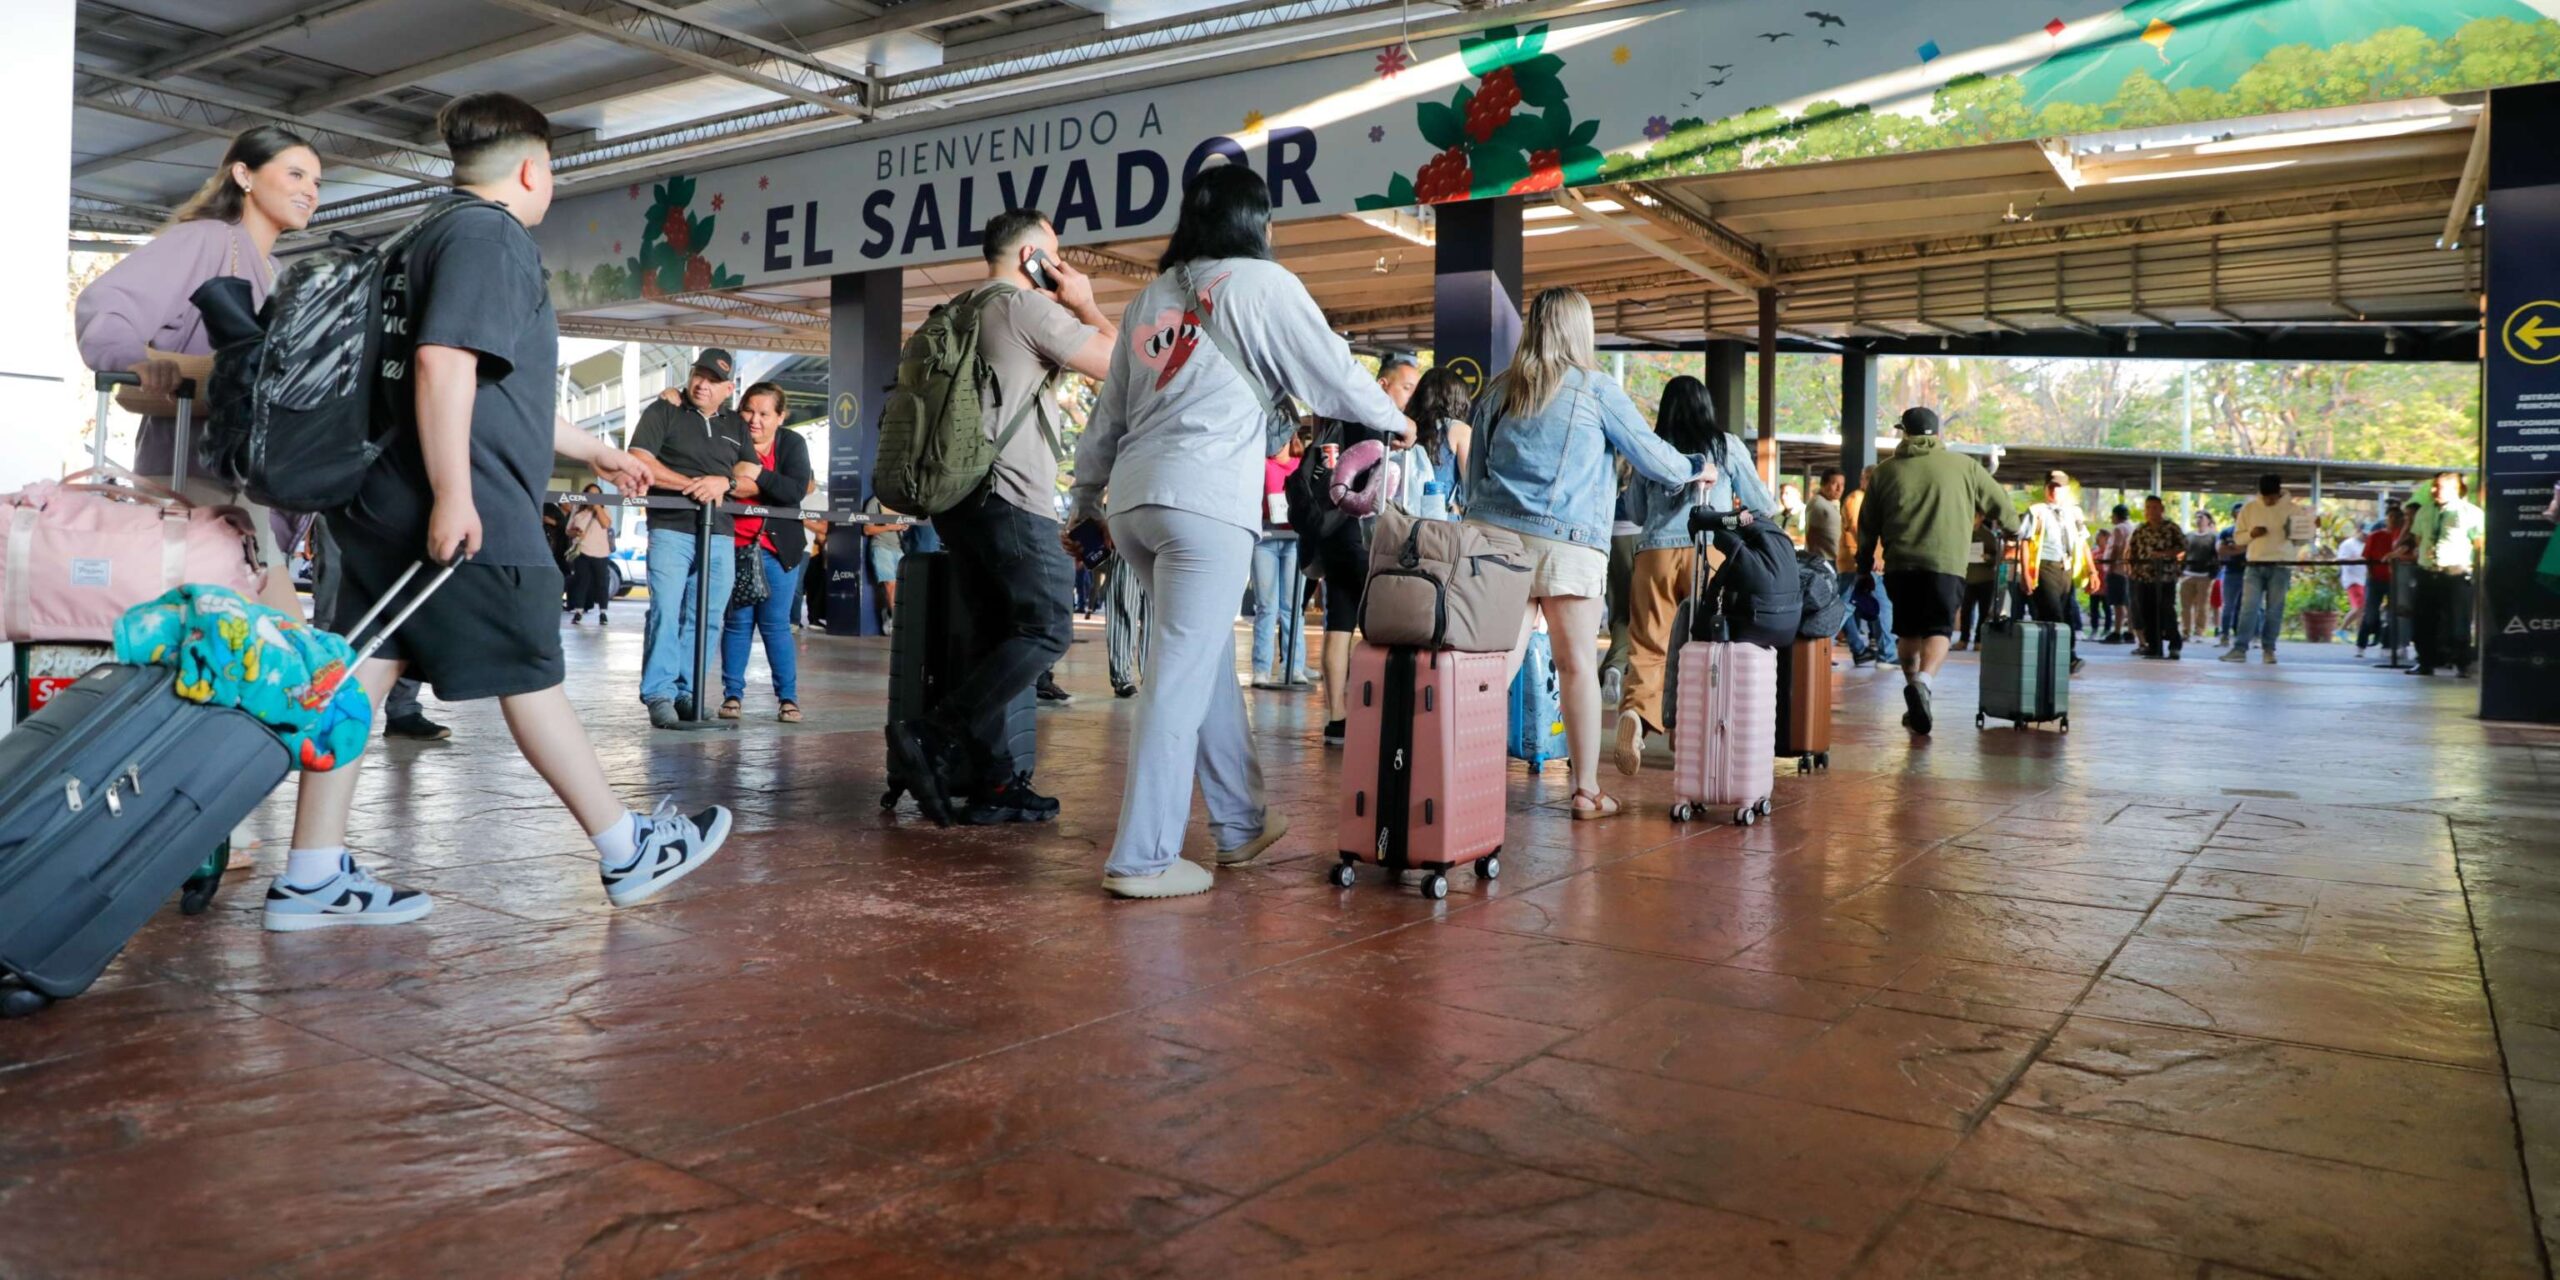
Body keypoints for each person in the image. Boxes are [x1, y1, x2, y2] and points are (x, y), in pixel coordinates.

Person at [271, 92, 730, 931]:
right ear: (530, 168)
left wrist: (593, 451)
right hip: (463, 499)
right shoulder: (491, 238)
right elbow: (443, 366)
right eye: (550, 168)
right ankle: (627, 847)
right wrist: (455, 493)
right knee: (530, 669)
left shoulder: (422, 234)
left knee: (359, 676)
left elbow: (483, 385)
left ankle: (308, 874)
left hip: (380, 500)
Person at [1057, 163, 1400, 898]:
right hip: (1206, 503)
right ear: (1256, 224)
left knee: (1202, 660)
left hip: (1136, 504)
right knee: (1177, 677)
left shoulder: (1154, 294)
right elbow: (1332, 369)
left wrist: (1085, 499)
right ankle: (1141, 858)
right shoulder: (1261, 283)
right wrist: (1398, 422)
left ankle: (1241, 823)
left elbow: (1107, 415)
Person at [882, 210, 1116, 824]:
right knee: (1047, 628)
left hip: (959, 500)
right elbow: (1125, 370)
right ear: (1033, 256)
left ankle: (994, 782)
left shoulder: (958, 308)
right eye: (1055, 254)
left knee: (991, 638)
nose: (1061, 266)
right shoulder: (1028, 309)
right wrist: (1087, 303)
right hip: (1014, 497)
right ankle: (932, 734)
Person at [1464, 287, 1710, 819]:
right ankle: (1586, 791)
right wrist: (1697, 467)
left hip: (1492, 543)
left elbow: (1473, 478)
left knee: (1495, 661)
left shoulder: (1497, 392)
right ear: (1581, 330)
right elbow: (1655, 460)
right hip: (1566, 545)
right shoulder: (1596, 391)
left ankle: (1456, 768)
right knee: (1575, 665)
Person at [76, 125, 317, 618]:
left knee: (273, 652)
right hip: (192, 476)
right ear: (244, 175)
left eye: (317, 181)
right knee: (258, 648)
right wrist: (135, 360)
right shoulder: (207, 240)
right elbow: (106, 303)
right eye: (295, 174)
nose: (310, 191)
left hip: (243, 481)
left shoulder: (273, 268)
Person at [1614, 375, 1771, 776]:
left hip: (1655, 554)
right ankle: (1690, 733)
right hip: (1711, 552)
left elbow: (1634, 512)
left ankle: (1635, 715)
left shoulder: (1651, 448)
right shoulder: (1726, 445)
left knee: (1649, 645)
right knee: (1705, 645)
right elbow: (1762, 503)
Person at [1856, 407, 2013, 736]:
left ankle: (1914, 693)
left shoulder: (1885, 472)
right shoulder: (1965, 467)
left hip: (1901, 564)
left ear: (1904, 432)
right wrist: (2012, 528)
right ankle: (1924, 684)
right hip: (1946, 565)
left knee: (1909, 633)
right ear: (1937, 433)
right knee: (1939, 631)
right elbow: (2002, 504)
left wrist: (1864, 564)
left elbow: (1867, 525)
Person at [627, 350, 752, 726]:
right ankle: (659, 694)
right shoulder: (665, 410)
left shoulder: (735, 423)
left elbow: (749, 474)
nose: (702, 384)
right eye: (699, 375)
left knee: (708, 616)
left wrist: (724, 482)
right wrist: (693, 486)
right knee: (666, 612)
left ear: (728, 389)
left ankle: (688, 693)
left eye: (713, 381)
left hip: (720, 533)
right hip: (670, 527)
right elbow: (639, 459)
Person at [1312, 351, 1424, 745]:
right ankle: (1381, 712)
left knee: (1338, 624)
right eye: (1406, 387)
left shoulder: (1337, 415)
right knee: (1383, 622)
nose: (1410, 396)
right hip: (1360, 534)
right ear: (1382, 385)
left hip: (1330, 531)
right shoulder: (1375, 423)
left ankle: (1336, 719)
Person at [714, 382, 814, 723]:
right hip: (734, 547)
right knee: (737, 624)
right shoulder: (725, 436)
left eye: (764, 414)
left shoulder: (791, 443)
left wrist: (754, 472)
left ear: (780, 417)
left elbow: (795, 490)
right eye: (748, 410)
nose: (754, 420)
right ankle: (732, 696)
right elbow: (721, 482)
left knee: (776, 626)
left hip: (779, 550)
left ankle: (788, 699)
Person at [310, 516, 449, 741]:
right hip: (342, 499)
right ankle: (320, 701)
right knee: (336, 597)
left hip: (407, 499)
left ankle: (403, 711)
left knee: (410, 597)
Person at [2406, 471, 2486, 678]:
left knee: (2457, 622)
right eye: (2433, 486)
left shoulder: (2470, 513)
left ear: (2455, 488)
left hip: (2455, 573)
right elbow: (2418, 538)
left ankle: (2461, 663)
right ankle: (2425, 662)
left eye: (2438, 487)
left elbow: (2480, 544)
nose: (2433, 491)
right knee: (2423, 621)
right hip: (2427, 572)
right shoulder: (2424, 511)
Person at [2222, 473, 2307, 665]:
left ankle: (2269, 649)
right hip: (2254, 563)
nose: (2269, 501)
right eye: (2265, 496)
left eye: (2272, 497)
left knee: (2274, 610)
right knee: (2248, 608)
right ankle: (2239, 648)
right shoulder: (2249, 509)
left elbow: (2302, 540)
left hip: (2281, 564)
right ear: (2260, 493)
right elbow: (2238, 538)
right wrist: (2251, 533)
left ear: (2279, 493)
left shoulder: (2294, 510)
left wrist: (2309, 528)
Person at [1251, 431, 1313, 689]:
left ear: (1290, 439)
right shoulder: (1261, 464)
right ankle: (1262, 668)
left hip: (1294, 539)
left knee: (1292, 607)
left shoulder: (1300, 466)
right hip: (1265, 537)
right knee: (1266, 606)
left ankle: (1294, 666)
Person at [2020, 471, 2095, 675]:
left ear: (2066, 490)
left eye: (2059, 487)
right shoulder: (2036, 511)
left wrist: (2093, 571)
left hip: (2066, 568)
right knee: (2053, 612)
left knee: (2067, 612)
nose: (2054, 491)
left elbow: (2083, 541)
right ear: (2046, 489)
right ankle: (2066, 658)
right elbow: (2025, 542)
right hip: (2044, 566)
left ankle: (2058, 656)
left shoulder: (2074, 513)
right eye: (2051, 486)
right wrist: (2025, 573)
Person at [1390, 365, 1469, 522]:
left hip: (1400, 522)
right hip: (1442, 523)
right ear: (1458, 398)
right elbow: (1473, 483)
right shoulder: (1459, 430)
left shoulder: (1405, 428)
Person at [1837, 465, 1896, 667]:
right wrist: (1870, 556)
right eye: (1868, 478)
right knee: (1843, 606)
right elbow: (1857, 529)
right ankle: (1817, 643)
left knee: (1879, 606)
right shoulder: (1857, 499)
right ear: (1863, 479)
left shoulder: (1869, 500)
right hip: (1859, 564)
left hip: (1868, 564)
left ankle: (1887, 653)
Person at [2125, 495, 2187, 659]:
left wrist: (2165, 554)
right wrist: (2131, 569)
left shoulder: (2171, 528)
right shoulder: (2140, 529)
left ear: (2161, 509)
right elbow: (2132, 551)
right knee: (2147, 611)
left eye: (2154, 507)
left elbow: (2183, 547)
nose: (2151, 511)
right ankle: (2154, 646)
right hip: (2143, 577)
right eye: (2148, 508)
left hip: (2165, 576)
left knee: (2167, 609)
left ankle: (2175, 645)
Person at [563, 484, 615, 624]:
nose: (593, 497)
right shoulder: (577, 510)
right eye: (591, 494)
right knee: (581, 581)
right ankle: (579, 611)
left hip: (600, 552)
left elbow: (606, 525)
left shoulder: (605, 510)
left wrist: (597, 507)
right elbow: (568, 530)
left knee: (601, 583)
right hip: (582, 551)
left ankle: (603, 613)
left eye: (597, 494)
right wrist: (576, 532)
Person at [2357, 510, 2401, 656]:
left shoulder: (2402, 537)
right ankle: (2361, 645)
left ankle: (2387, 645)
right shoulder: (2375, 535)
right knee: (2370, 612)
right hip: (2375, 578)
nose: (2393, 520)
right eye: (2391, 517)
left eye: (2397, 517)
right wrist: (2370, 573)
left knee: (2392, 613)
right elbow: (2367, 555)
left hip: (2393, 580)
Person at [1956, 512, 2000, 650]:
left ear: (1981, 517)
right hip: (1967, 577)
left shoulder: (1988, 535)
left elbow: (1997, 556)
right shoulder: (1963, 531)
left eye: (1975, 515)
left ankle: (1979, 641)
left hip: (1985, 578)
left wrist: (1988, 558)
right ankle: (1963, 639)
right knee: (1966, 611)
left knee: (1984, 611)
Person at [2179, 509, 2219, 646]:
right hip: (2188, 574)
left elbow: (2217, 556)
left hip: (2205, 575)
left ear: (2208, 520)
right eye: (2196, 517)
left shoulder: (2214, 537)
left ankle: (2199, 632)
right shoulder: (2189, 536)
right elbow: (2183, 553)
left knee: (2202, 606)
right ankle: (2185, 631)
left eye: (2201, 517)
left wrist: (2212, 573)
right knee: (2185, 606)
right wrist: (2181, 570)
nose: (2199, 519)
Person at [2099, 503, 2134, 642]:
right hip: (2127, 570)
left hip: (2117, 570)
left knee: (2118, 603)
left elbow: (2117, 548)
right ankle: (2130, 631)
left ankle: (2117, 631)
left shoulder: (2119, 528)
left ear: (2116, 515)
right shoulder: (2131, 527)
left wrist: (2111, 565)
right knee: (2127, 602)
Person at [2216, 502, 2248, 644]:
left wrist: (2233, 549)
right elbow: (2220, 550)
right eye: (2237, 512)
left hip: (2249, 572)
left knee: (2250, 606)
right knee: (2228, 606)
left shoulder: (2251, 532)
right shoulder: (2226, 532)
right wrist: (2239, 549)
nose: (2239, 514)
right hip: (2230, 572)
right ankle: (2224, 634)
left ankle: (2249, 636)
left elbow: (2250, 549)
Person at [1804, 469, 1843, 579]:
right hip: (1825, 562)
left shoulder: (1833, 504)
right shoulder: (1818, 505)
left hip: (1833, 562)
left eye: (1842, 484)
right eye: (1835, 484)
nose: (1839, 489)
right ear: (1823, 484)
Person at [2337, 521, 2369, 639]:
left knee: (2361, 609)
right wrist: (2358, 559)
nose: (2367, 537)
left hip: (2364, 578)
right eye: (2365, 534)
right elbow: (2341, 560)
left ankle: (2360, 634)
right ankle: (2342, 629)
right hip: (2352, 579)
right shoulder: (2348, 544)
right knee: (2360, 606)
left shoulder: (2367, 544)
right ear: (2359, 531)